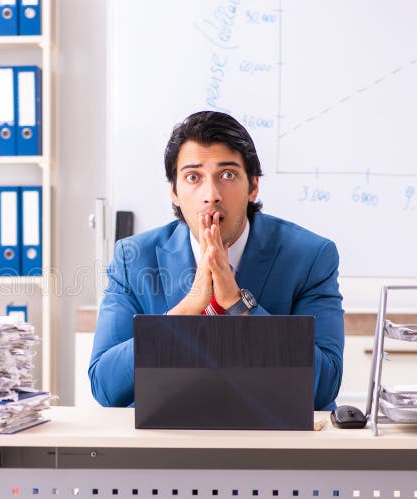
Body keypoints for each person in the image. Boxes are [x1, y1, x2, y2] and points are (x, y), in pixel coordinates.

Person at [89, 111, 344, 411]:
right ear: (174, 191)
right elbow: (105, 387)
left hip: (273, 445)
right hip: (169, 445)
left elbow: (324, 387)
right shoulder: (133, 259)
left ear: (253, 187)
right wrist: (182, 315)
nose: (211, 195)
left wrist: (239, 306)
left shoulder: (310, 257)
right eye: (193, 177)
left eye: (227, 175)